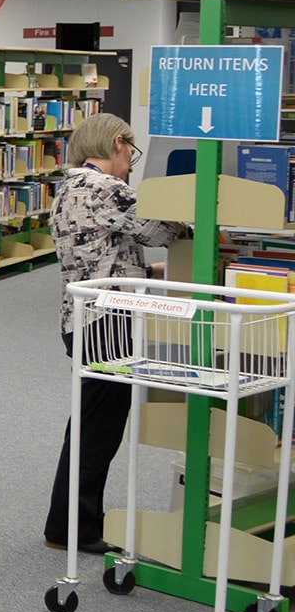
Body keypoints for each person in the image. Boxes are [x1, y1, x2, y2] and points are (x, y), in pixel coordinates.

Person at [45, 114, 184, 554]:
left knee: (88, 423)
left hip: (83, 315)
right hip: (108, 320)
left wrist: (153, 271)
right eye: (132, 154)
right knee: (98, 430)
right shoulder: (106, 188)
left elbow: (106, 252)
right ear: (118, 144)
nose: (131, 164)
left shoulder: (71, 186)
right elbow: (165, 229)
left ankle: (65, 525)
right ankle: (77, 530)